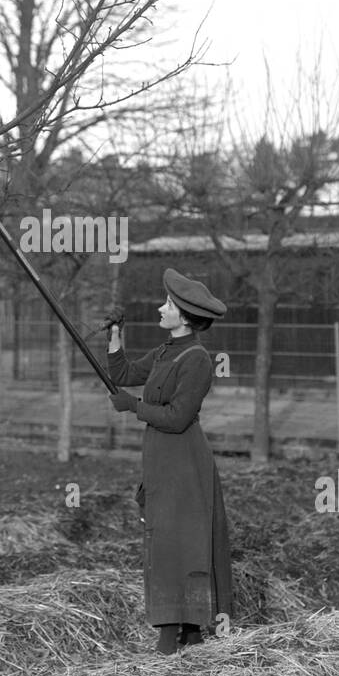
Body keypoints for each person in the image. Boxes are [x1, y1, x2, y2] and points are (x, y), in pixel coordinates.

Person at [105, 268, 234, 654]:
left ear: (185, 316)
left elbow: (178, 417)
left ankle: (177, 631)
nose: (161, 308)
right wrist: (115, 336)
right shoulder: (166, 351)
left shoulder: (196, 360)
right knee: (164, 540)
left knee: (181, 544)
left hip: (184, 463)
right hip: (161, 458)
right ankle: (188, 634)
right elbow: (125, 373)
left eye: (168, 305)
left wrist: (134, 407)